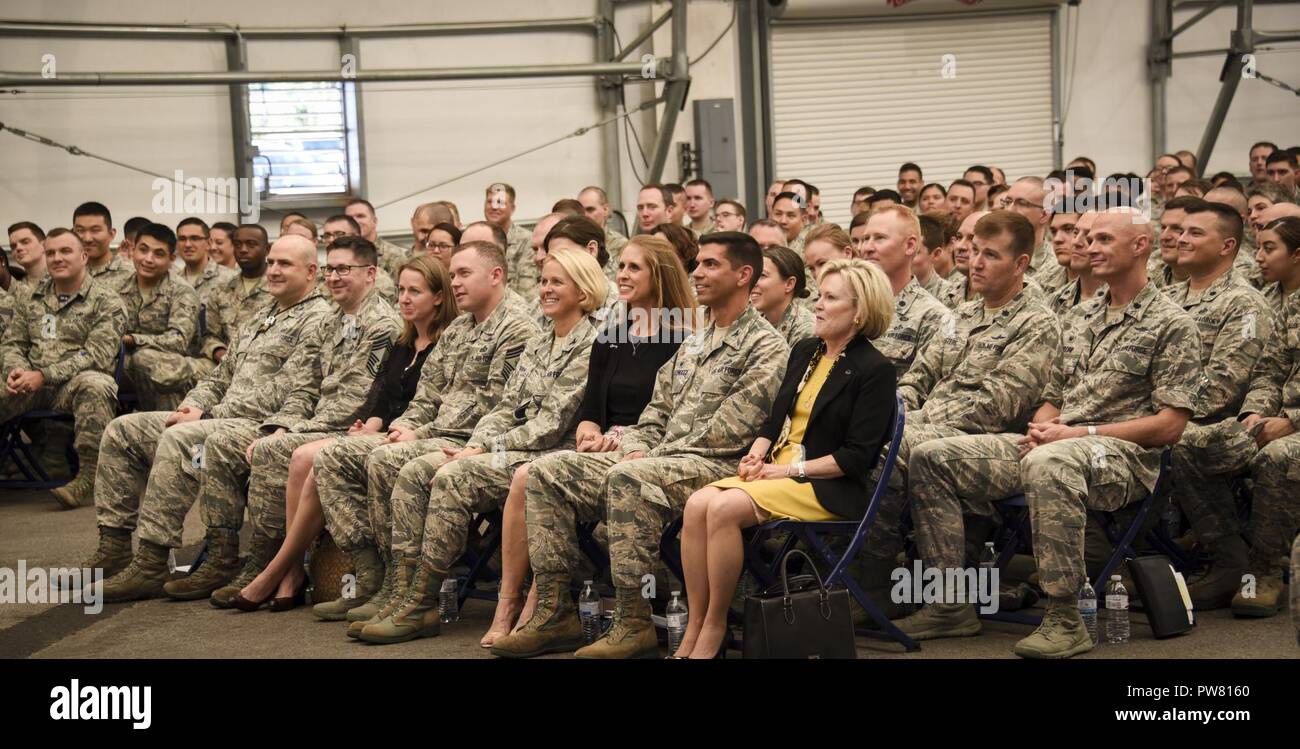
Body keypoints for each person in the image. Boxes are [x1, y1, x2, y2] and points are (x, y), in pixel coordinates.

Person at [897, 208, 1201, 659]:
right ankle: (950, 603)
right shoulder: (1080, 317)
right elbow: (1054, 394)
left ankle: (1066, 616)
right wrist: (1043, 427)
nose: (1088, 247)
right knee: (934, 456)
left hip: (1125, 457)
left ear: (1140, 247)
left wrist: (1078, 433)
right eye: (1088, 238)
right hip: (1062, 442)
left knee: (1051, 462)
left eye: (1102, 240)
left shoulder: (1173, 323)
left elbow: (1171, 426)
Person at [491, 232, 788, 659]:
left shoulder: (764, 346)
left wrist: (647, 452)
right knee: (546, 472)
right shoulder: (696, 339)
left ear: (744, 275)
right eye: (697, 264)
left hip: (717, 466)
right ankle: (554, 611)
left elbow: (729, 433)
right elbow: (656, 413)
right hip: (663, 456)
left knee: (630, 478)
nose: (697, 273)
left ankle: (633, 619)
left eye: (710, 265)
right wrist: (630, 441)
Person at [357, 249, 609, 644]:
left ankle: (423, 601)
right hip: (506, 447)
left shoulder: (592, 342)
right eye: (543, 281)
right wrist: (480, 442)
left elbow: (551, 424)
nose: (544, 289)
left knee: (453, 476)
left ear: (584, 289)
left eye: (556, 282)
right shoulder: (543, 339)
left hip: (550, 453)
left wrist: (485, 448)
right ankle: (403, 590)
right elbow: (507, 406)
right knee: (413, 470)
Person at [674, 258, 898, 658]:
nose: (818, 304)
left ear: (860, 312)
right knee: (696, 505)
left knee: (722, 508)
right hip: (778, 472)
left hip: (829, 487)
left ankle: (715, 625)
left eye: (831, 298)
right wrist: (756, 454)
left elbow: (855, 459)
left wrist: (787, 469)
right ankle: (694, 622)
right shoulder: (806, 350)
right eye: (820, 296)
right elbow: (774, 419)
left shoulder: (874, 370)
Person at [478, 235, 695, 646]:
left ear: (659, 274)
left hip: (650, 452)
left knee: (535, 474)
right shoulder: (610, 337)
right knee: (535, 475)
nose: (623, 274)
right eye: (623, 266)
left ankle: (548, 607)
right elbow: (590, 413)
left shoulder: (683, 337)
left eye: (635, 267)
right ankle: (550, 608)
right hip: (602, 452)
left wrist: (619, 437)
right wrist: (592, 433)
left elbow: (675, 420)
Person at [92, 236, 333, 602]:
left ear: (312, 271)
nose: (273, 270)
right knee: (122, 430)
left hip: (267, 424)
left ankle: (155, 560)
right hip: (217, 417)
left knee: (181, 439)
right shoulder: (261, 318)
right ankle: (114, 546)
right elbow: (220, 377)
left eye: (285, 264)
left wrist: (206, 415)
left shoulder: (319, 320)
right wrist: (190, 406)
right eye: (271, 262)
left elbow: (290, 389)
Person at [312, 241, 537, 631]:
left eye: (463, 274)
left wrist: (422, 433)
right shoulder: (459, 330)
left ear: (496, 275)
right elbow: (427, 395)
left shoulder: (517, 328)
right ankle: (378, 577)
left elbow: (498, 406)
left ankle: (417, 596)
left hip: (478, 441)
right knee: (336, 454)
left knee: (393, 462)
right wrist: (406, 427)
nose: (455, 284)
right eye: (452, 276)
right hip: (436, 433)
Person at [229, 254, 457, 613]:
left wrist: (396, 429)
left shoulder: (448, 342)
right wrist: (371, 423)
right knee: (303, 456)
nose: (405, 299)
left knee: (312, 457)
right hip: (386, 432)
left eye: (415, 291)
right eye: (400, 290)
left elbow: (438, 404)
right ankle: (292, 571)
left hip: (416, 435)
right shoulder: (402, 341)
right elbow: (379, 398)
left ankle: (282, 569)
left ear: (439, 296)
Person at [185, 236, 403, 608]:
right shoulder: (330, 321)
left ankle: (268, 563)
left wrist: (294, 432)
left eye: (343, 269)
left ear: (370, 274)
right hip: (315, 425)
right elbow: (303, 387)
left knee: (272, 450)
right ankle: (275, 566)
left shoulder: (382, 325)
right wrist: (284, 424)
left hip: (352, 427)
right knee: (253, 442)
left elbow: (355, 400)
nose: (334, 277)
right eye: (330, 269)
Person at [1164, 203, 1274, 611]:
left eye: (1195, 233)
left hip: (1225, 425)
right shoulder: (1167, 298)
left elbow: (1223, 387)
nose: (1181, 239)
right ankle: (1117, 561)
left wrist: (1155, 414)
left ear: (1227, 245)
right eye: (1180, 231)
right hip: (1159, 414)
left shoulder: (1243, 303)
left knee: (1183, 441)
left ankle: (1230, 560)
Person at [1, 228, 124, 509]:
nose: (57, 258)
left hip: (71, 385)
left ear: (83, 257)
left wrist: (44, 375)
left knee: (97, 385)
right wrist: (16, 370)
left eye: (65, 251)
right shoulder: (30, 298)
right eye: (51, 252)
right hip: (29, 382)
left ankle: (88, 478)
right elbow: (13, 343)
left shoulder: (108, 301)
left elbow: (97, 356)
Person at [114, 223, 203, 413]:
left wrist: (133, 340)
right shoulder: (116, 288)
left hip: (174, 369)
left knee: (153, 364)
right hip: (125, 365)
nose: (148, 259)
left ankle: (164, 427)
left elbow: (179, 341)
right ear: (132, 250)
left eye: (158, 254)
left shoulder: (182, 291)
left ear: (171, 259)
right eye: (143, 250)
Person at [857, 205, 953, 377]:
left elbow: (922, 390)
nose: (867, 248)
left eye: (879, 238)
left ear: (909, 246)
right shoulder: (850, 305)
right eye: (865, 239)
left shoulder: (935, 317)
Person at [203, 224, 272, 362]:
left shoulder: (280, 288)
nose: (243, 250)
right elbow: (210, 336)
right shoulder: (221, 290)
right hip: (225, 364)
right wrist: (221, 354)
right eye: (238, 245)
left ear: (267, 249)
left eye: (251, 244)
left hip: (265, 368)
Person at [752, 245, 814, 346]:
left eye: (762, 275)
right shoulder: (755, 322)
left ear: (789, 284)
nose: (753, 282)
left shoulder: (806, 330)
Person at [1051, 211, 1108, 317]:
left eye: (1088, 236)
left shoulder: (1119, 298)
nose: (1076, 242)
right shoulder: (1055, 299)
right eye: (1075, 233)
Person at [346, 198, 408, 286]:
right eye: (350, 218)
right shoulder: (342, 255)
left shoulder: (396, 256)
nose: (355, 221)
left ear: (374, 221)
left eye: (360, 216)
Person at [72, 202, 133, 288]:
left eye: (95, 230)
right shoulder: (67, 271)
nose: (87, 239)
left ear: (111, 234)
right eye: (80, 230)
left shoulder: (131, 274)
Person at [938, 210, 988, 309]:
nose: (960, 246)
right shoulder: (948, 293)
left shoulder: (1003, 296)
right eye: (959, 237)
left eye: (972, 238)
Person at [578, 185, 629, 276]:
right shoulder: (573, 242)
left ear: (605, 210)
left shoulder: (621, 245)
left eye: (590, 209)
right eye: (581, 211)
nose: (584, 215)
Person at [913, 214, 951, 298]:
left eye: (915, 253)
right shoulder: (887, 289)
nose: (906, 257)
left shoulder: (950, 297)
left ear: (936, 254)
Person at [7, 222, 47, 291]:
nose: (18, 248)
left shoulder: (64, 279)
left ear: (44, 245)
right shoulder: (15, 288)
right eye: (13, 246)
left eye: (25, 242)